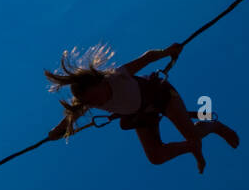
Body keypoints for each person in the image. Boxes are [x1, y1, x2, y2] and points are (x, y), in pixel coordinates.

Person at [45, 42, 238, 173]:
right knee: (156, 157)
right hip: (140, 114)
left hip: (160, 95)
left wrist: (169, 51)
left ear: (100, 82)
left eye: (95, 97)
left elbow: (147, 58)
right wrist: (58, 130)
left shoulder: (117, 76)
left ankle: (213, 126)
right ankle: (191, 147)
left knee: (192, 134)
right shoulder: (88, 102)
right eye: (91, 103)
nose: (97, 104)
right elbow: (72, 116)